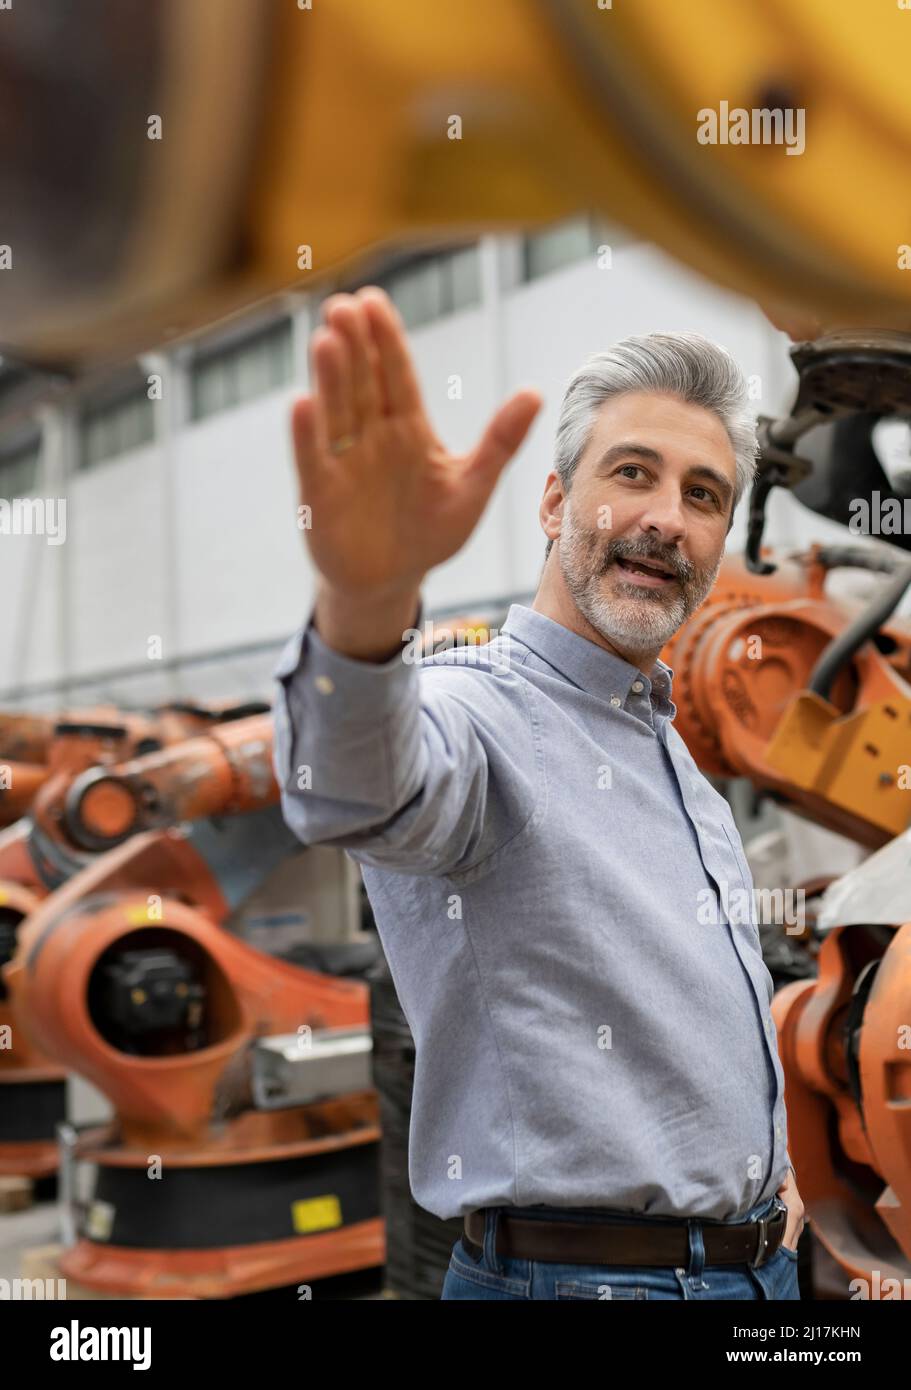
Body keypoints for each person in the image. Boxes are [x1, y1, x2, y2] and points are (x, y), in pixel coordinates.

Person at [271, 285, 805, 1300]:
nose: (664, 518)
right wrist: (366, 599)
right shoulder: (478, 711)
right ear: (556, 503)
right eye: (631, 474)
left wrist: (770, 1174)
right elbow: (348, 791)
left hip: (751, 1272)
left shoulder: (673, 760)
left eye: (702, 496)